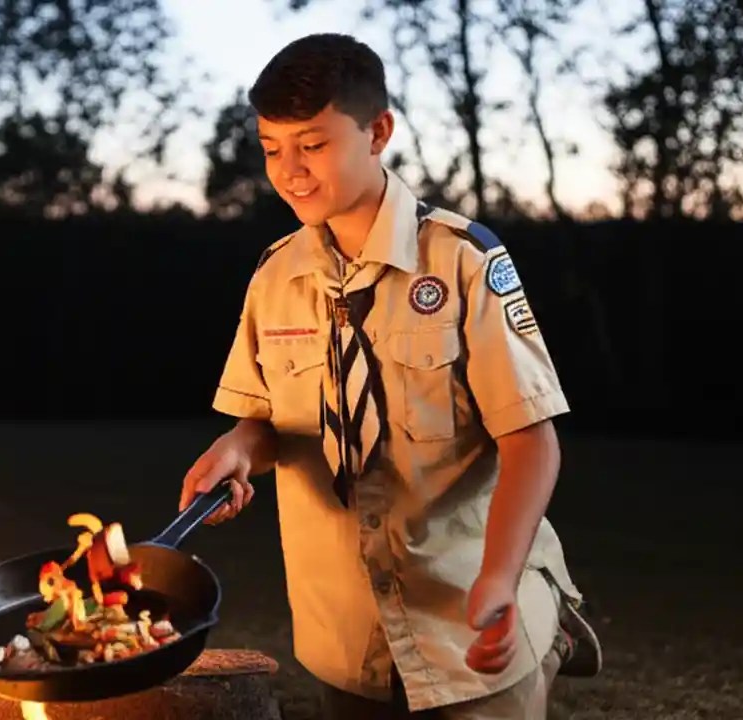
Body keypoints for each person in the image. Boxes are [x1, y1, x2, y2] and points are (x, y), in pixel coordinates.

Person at [178, 33, 602, 718]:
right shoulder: (275, 276)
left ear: (377, 132)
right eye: (271, 148)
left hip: (469, 619)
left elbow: (531, 439)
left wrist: (499, 577)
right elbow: (265, 420)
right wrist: (237, 448)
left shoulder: (462, 261)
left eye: (313, 144)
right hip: (344, 638)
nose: (290, 170)